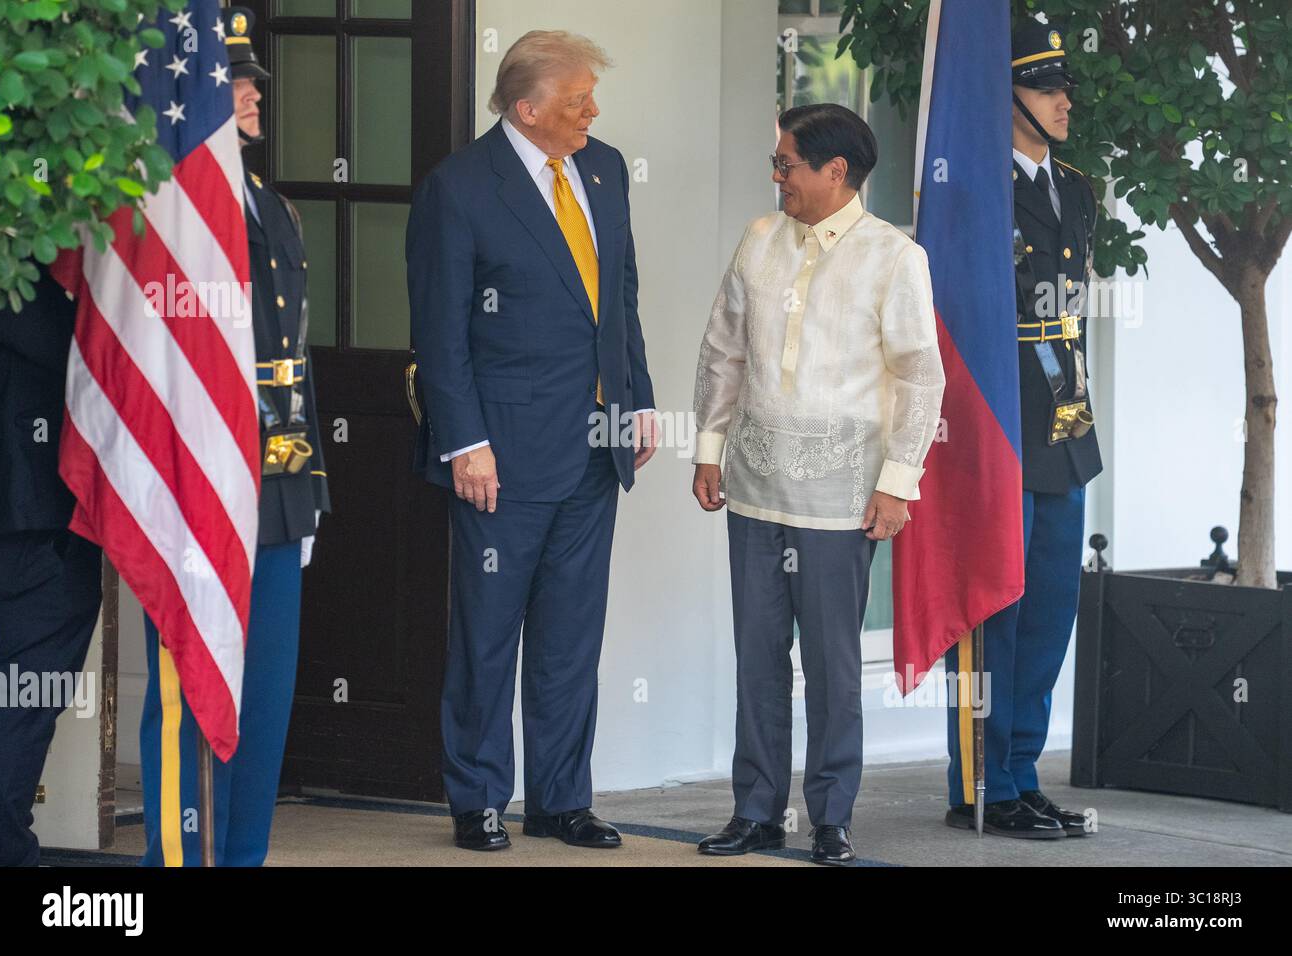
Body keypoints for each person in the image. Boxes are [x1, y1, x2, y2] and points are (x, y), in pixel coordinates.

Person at [406, 30, 657, 852]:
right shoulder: (461, 187)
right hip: (502, 457)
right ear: (528, 107)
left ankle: (561, 800)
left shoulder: (605, 168)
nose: (593, 110)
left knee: (570, 638)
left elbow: (619, 297)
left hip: (595, 445)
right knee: (488, 634)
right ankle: (478, 799)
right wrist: (463, 442)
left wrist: (639, 402)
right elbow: (440, 335)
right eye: (579, 97)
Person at [692, 104, 945, 865]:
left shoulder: (894, 257)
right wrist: (708, 447)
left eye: (787, 164)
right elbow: (723, 352)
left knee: (831, 666)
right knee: (758, 656)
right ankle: (756, 812)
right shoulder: (760, 239)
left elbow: (920, 378)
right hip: (753, 486)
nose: (777, 177)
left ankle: (831, 818)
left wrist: (899, 483)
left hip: (841, 496)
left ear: (836, 173)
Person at [138, 6, 330, 866]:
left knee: (266, 699)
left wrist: (307, 491)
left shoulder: (276, 211)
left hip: (278, 493)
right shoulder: (172, 218)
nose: (249, 91)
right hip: (197, 488)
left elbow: (291, 365)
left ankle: (243, 857)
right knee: (187, 702)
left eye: (249, 77)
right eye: (234, 76)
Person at [943, 17, 1102, 839]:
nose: (1063, 100)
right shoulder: (971, 189)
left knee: (1048, 614)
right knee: (991, 611)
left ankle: (1022, 771)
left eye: (1063, 85)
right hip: (997, 431)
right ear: (1003, 97)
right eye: (1046, 87)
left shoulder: (1075, 189)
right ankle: (980, 782)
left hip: (1065, 429)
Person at [0, 275, 103, 867]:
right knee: (26, 684)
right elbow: (55, 337)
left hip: (25, 491)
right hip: (29, 493)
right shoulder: (17, 229)